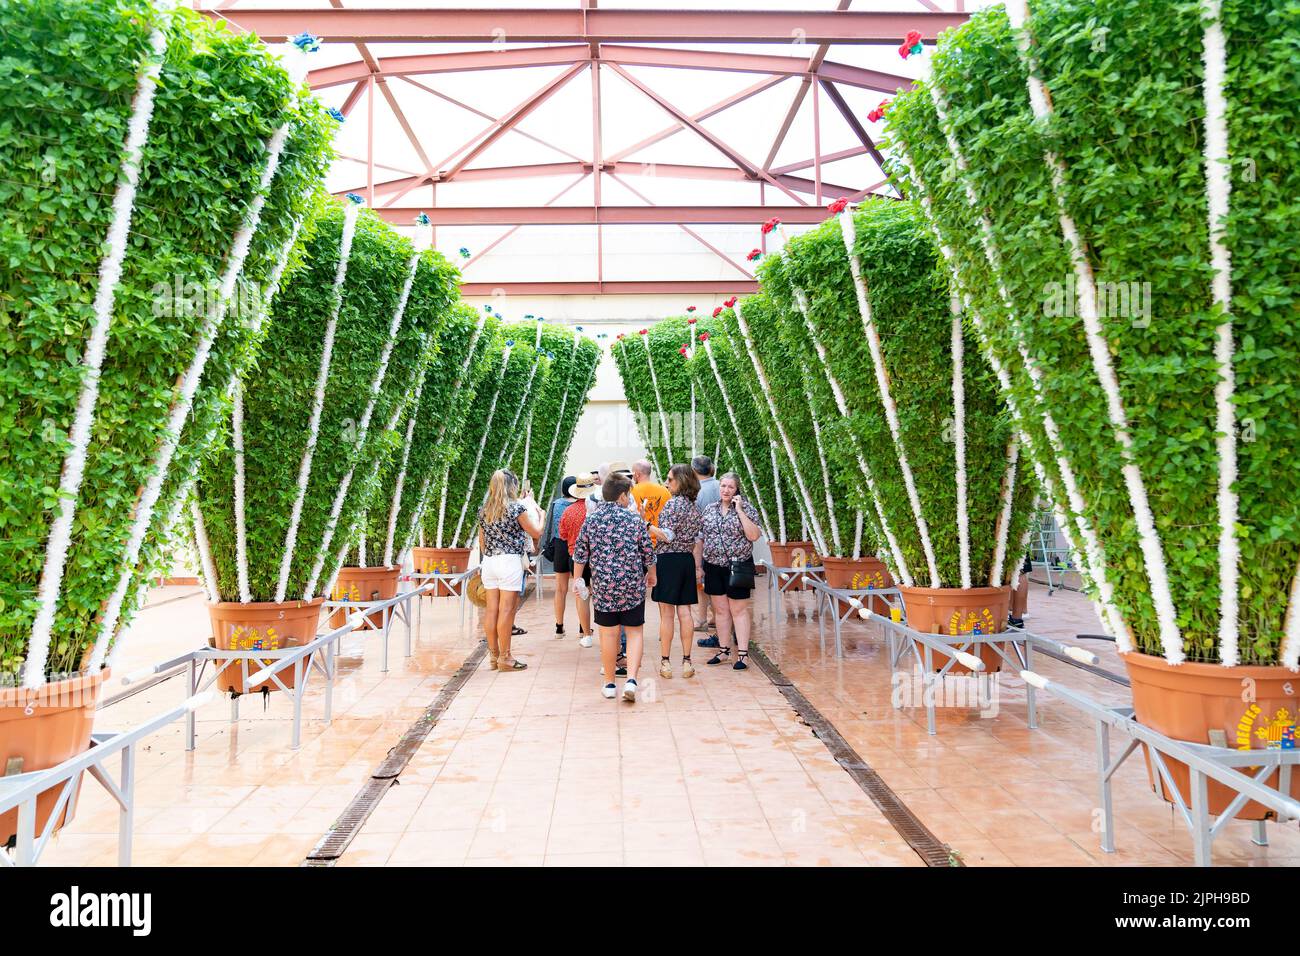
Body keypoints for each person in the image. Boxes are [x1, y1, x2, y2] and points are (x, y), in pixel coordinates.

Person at [571, 473, 656, 701]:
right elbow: (648, 552)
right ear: (622, 496)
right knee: (635, 632)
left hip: (604, 587)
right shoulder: (634, 520)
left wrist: (578, 580)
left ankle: (609, 684)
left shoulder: (592, 520)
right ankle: (630, 680)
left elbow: (579, 554)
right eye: (628, 494)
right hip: (632, 586)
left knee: (608, 636)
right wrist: (652, 577)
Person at [477, 469, 544, 672]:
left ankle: (493, 656)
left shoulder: (483, 509)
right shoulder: (516, 508)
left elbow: (481, 542)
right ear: (511, 486)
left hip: (489, 562)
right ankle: (505, 657)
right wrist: (542, 515)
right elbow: (536, 532)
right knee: (507, 611)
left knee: (491, 610)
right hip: (509, 562)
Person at [699, 472, 761, 670]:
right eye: (723, 486)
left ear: (737, 490)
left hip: (738, 566)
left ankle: (742, 655)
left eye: (730, 487)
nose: (725, 490)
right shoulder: (709, 509)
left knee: (738, 610)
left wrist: (740, 510)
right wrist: (698, 566)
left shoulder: (748, 509)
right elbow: (701, 538)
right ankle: (724, 650)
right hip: (713, 565)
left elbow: (753, 536)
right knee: (720, 610)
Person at [650, 464, 704, 680]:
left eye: (670, 479)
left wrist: (646, 526)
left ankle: (665, 662)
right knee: (685, 612)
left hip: (668, 560)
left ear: (681, 481)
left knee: (667, 614)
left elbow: (667, 535)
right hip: (685, 561)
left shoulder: (673, 505)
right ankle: (687, 661)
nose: (666, 482)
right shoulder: (694, 507)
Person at [558, 474, 596, 645]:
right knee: (601, 595)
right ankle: (608, 631)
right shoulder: (599, 509)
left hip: (576, 558)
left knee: (582, 594)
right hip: (598, 557)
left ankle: (586, 634)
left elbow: (563, 535)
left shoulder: (568, 511)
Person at [692, 455, 722, 643]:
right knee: (716, 584)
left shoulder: (697, 492)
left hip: (704, 543)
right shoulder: (722, 485)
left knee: (702, 583)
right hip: (724, 543)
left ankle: (704, 618)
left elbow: (696, 523)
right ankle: (712, 617)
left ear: (694, 471)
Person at [547, 476, 578, 638]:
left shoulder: (556, 504)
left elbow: (550, 528)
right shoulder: (582, 504)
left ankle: (559, 627)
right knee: (581, 587)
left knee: (560, 589)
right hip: (577, 546)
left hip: (559, 545)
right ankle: (583, 628)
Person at [630, 459, 671, 528]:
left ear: (637, 474)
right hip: (661, 535)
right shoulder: (665, 491)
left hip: (641, 536)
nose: (632, 477)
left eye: (633, 474)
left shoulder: (631, 492)